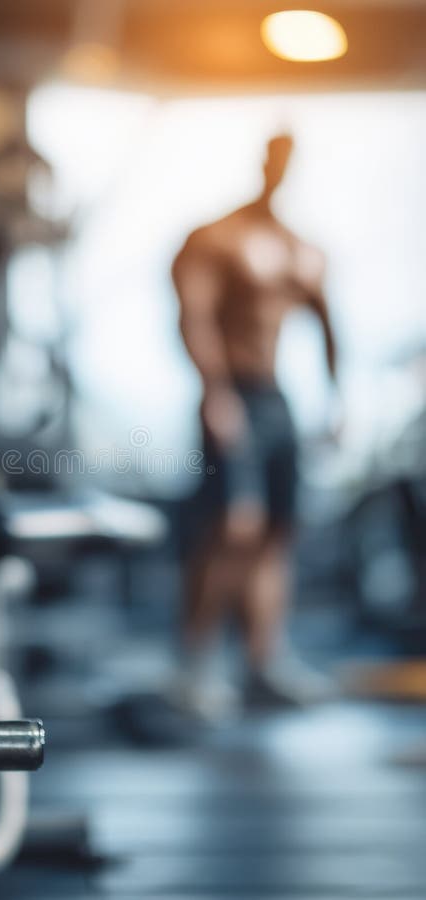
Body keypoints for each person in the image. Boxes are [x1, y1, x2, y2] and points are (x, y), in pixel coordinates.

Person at [171, 133, 338, 715]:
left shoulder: (297, 248)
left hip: (275, 398)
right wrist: (215, 394)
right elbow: (193, 317)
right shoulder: (217, 238)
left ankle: (263, 662)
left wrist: (338, 398)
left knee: (278, 531)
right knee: (233, 526)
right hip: (232, 393)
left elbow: (329, 323)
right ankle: (195, 667)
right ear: (264, 160)